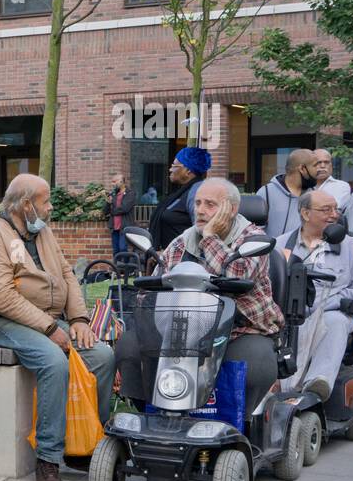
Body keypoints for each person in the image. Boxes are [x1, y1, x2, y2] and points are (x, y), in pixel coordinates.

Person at [0, 174, 116, 481]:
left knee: (103, 355)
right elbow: (2, 297)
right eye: (45, 201)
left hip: (51, 319)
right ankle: (49, 458)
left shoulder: (42, 232)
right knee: (54, 362)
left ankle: (88, 443)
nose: (50, 207)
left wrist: (79, 319)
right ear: (26, 205)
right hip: (4, 321)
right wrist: (51, 328)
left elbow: (66, 274)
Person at [116, 178, 284, 423]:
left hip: (241, 329)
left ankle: (242, 423)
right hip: (182, 329)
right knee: (130, 346)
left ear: (232, 209)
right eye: (197, 203)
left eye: (210, 204)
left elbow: (238, 273)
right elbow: (158, 280)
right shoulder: (184, 240)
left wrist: (209, 236)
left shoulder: (252, 238)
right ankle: (147, 413)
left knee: (255, 361)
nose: (200, 210)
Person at [278, 190, 353, 399]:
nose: (334, 214)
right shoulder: (282, 245)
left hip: (333, 314)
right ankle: (281, 393)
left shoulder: (350, 245)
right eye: (326, 209)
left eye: (336, 209)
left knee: (334, 321)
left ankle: (317, 384)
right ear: (305, 213)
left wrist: (329, 302)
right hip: (291, 318)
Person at [149, 147, 211, 250]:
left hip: (184, 263)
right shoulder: (181, 192)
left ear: (188, 171)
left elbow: (203, 232)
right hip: (170, 260)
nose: (170, 169)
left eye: (174, 166)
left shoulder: (197, 192)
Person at [258, 147, 317, 238]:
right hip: (273, 251)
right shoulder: (266, 192)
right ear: (302, 168)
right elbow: (256, 230)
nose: (318, 170)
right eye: (314, 166)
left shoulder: (315, 194)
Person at [104, 173, 136, 257]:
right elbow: (105, 212)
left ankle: (125, 268)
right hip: (114, 227)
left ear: (121, 182)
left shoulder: (130, 193)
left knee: (123, 248)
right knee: (116, 250)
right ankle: (116, 269)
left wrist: (112, 211)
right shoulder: (113, 194)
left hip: (125, 226)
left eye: (114, 182)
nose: (112, 184)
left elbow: (125, 208)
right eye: (112, 182)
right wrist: (108, 203)